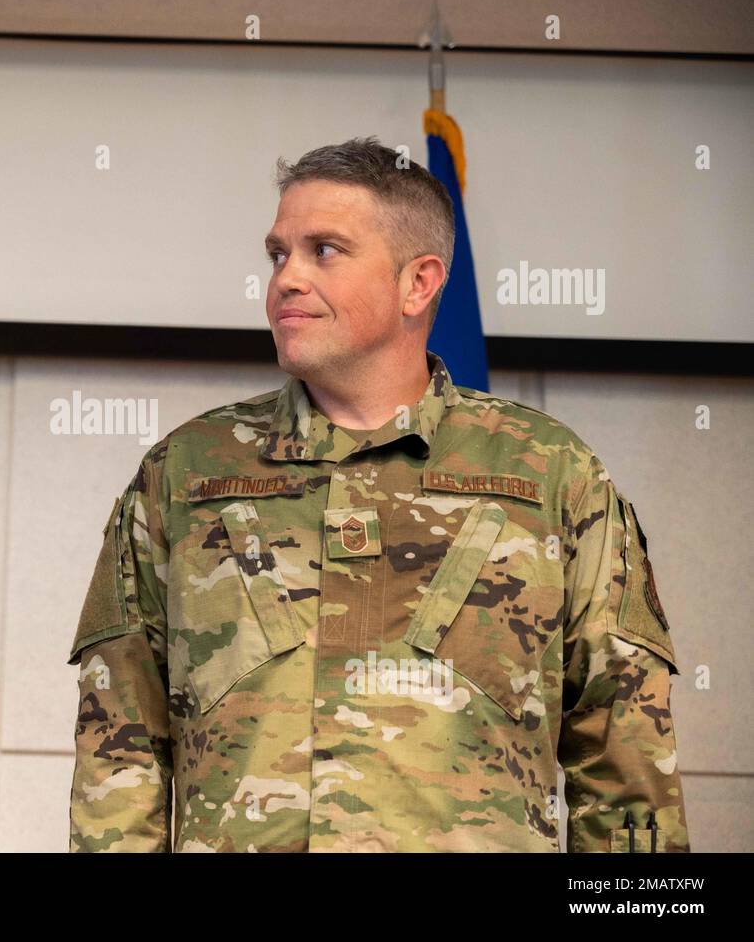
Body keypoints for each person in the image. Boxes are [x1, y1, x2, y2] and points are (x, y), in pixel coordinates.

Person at [66, 136, 688, 852]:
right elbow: (121, 754)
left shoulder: (553, 476)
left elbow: (625, 762)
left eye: (324, 250)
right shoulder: (183, 476)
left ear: (418, 284)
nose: (287, 279)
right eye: (278, 254)